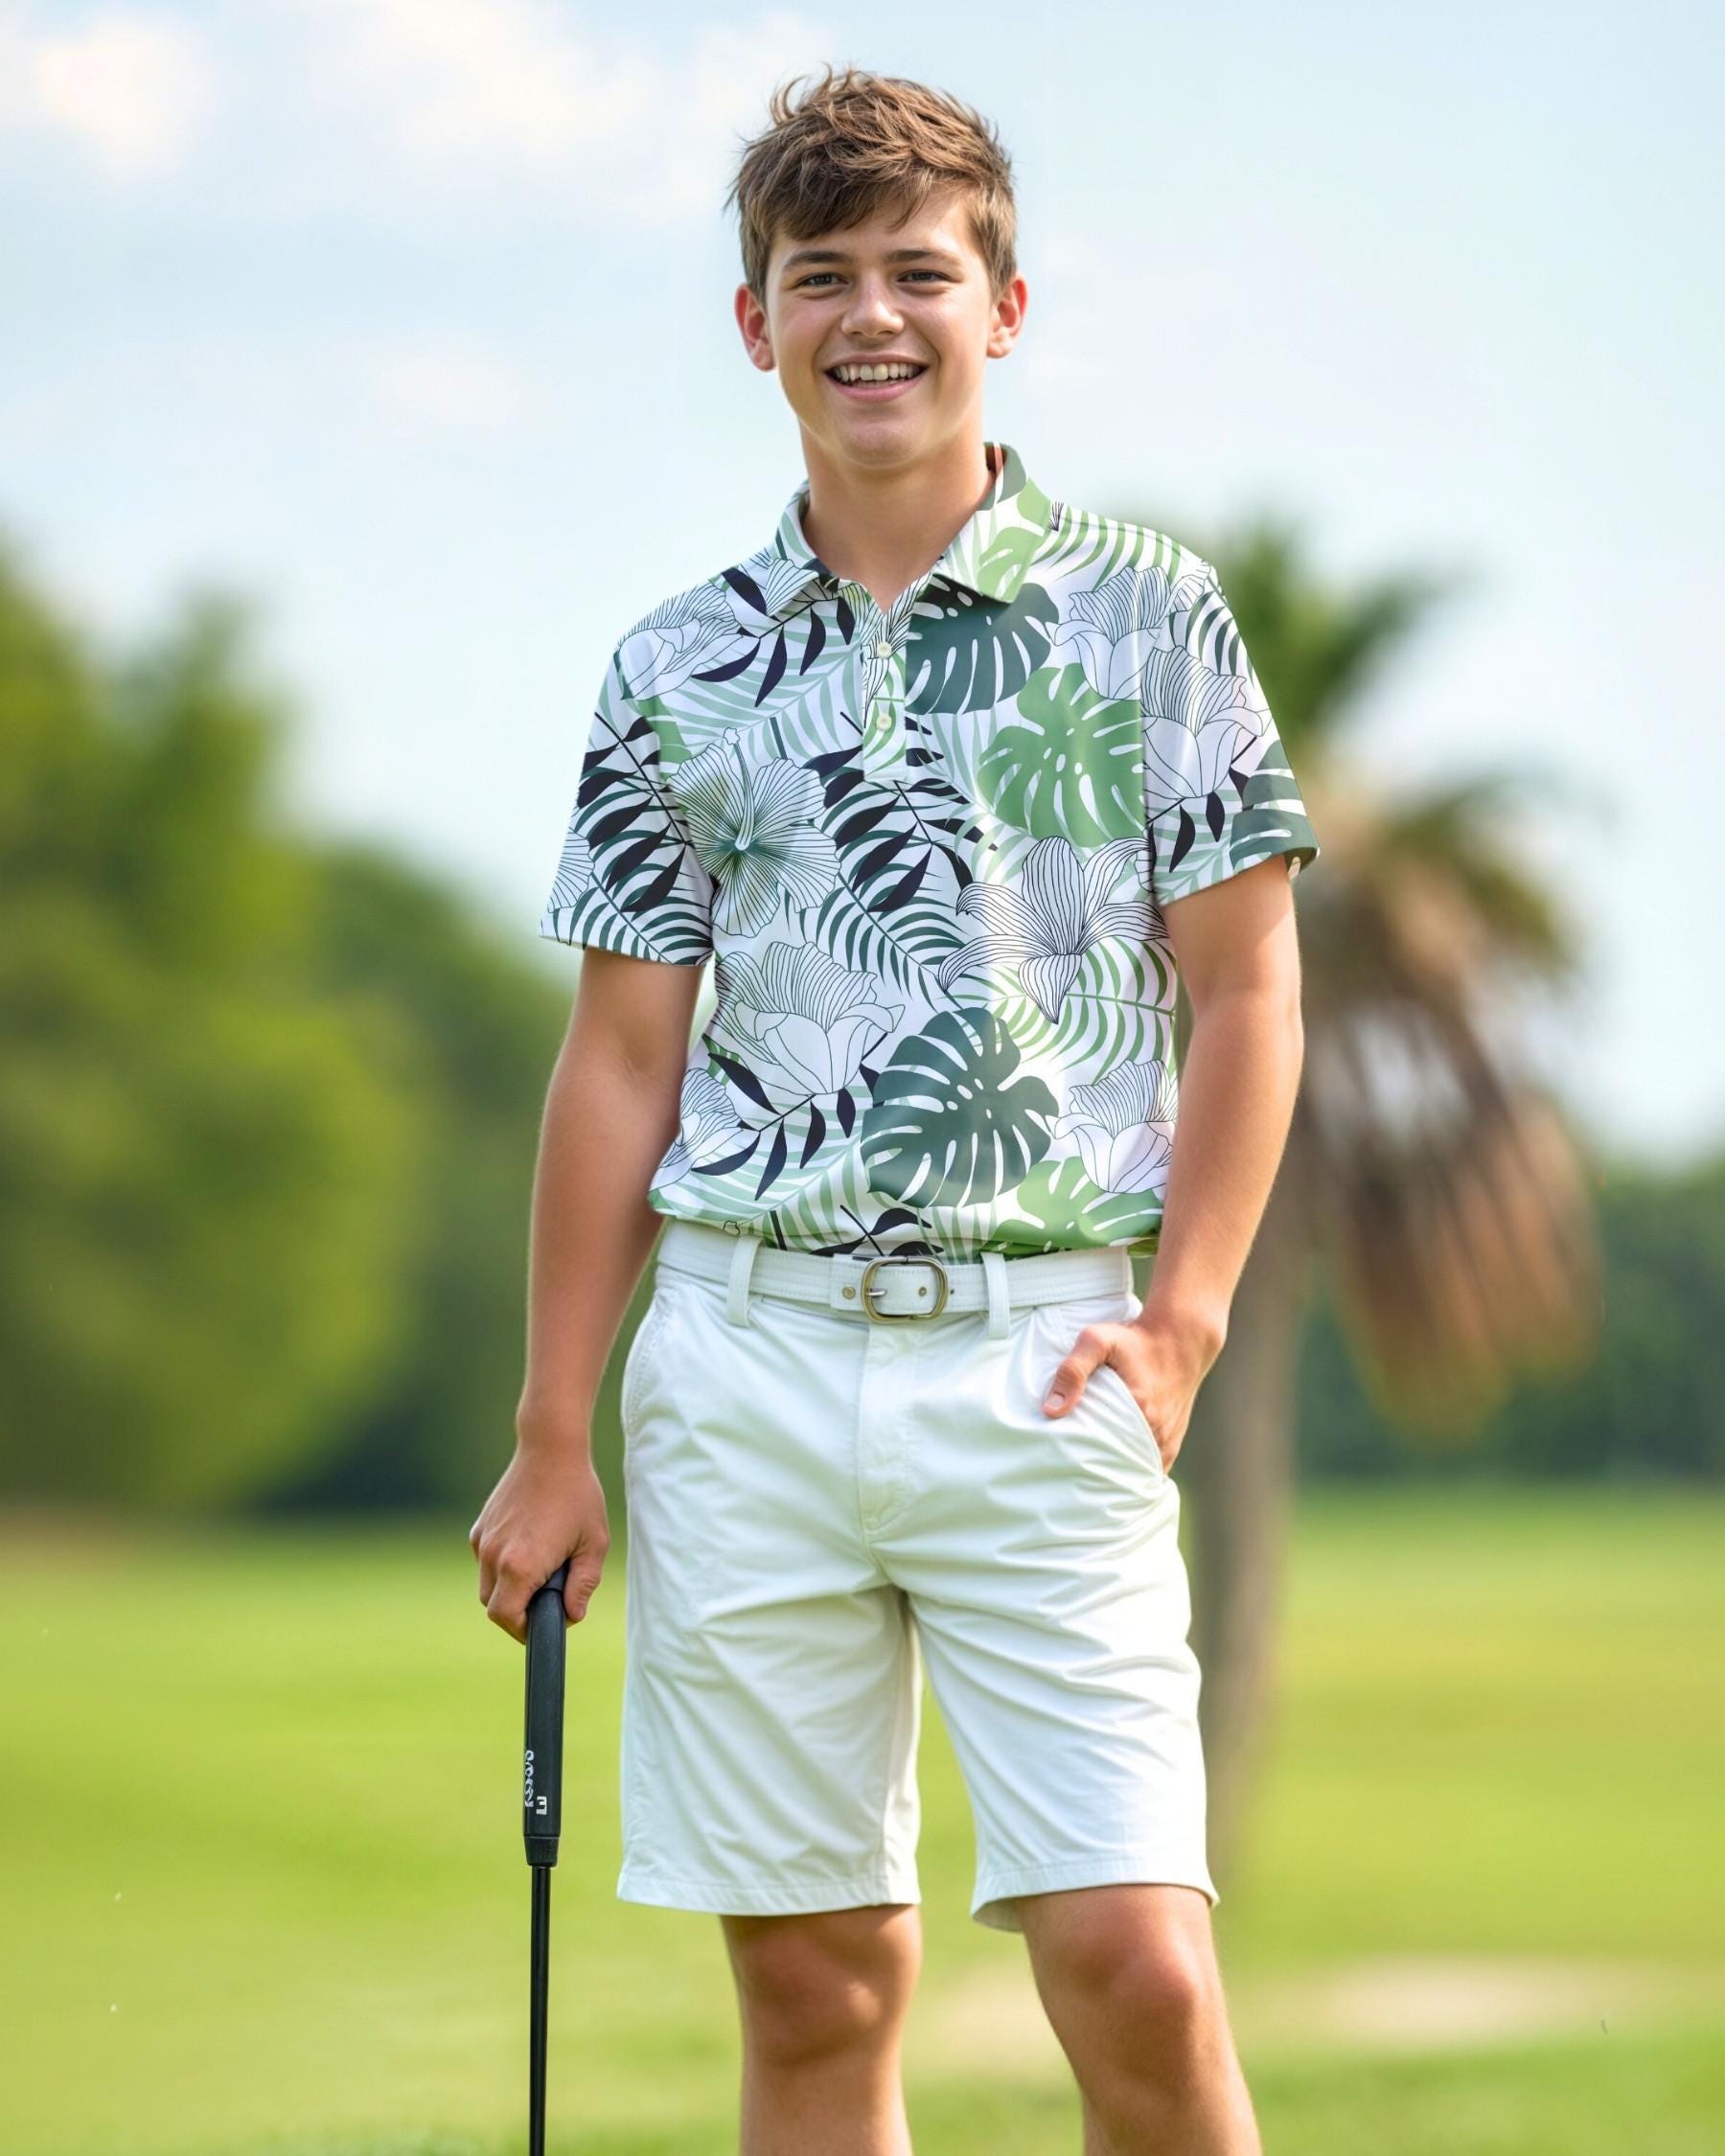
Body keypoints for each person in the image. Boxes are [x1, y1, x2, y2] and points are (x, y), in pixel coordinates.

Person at [471, 61, 1319, 2156]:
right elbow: (621, 1065)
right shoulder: (678, 663)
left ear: (1005, 309)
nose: (873, 315)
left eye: (920, 271)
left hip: (1049, 1364)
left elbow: (1248, 989)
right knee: (820, 1985)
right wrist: (557, 1431)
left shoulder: (1147, 612)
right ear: (753, 320)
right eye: (818, 273)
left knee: (1135, 1962)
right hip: (741, 1367)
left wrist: (1186, 1320)